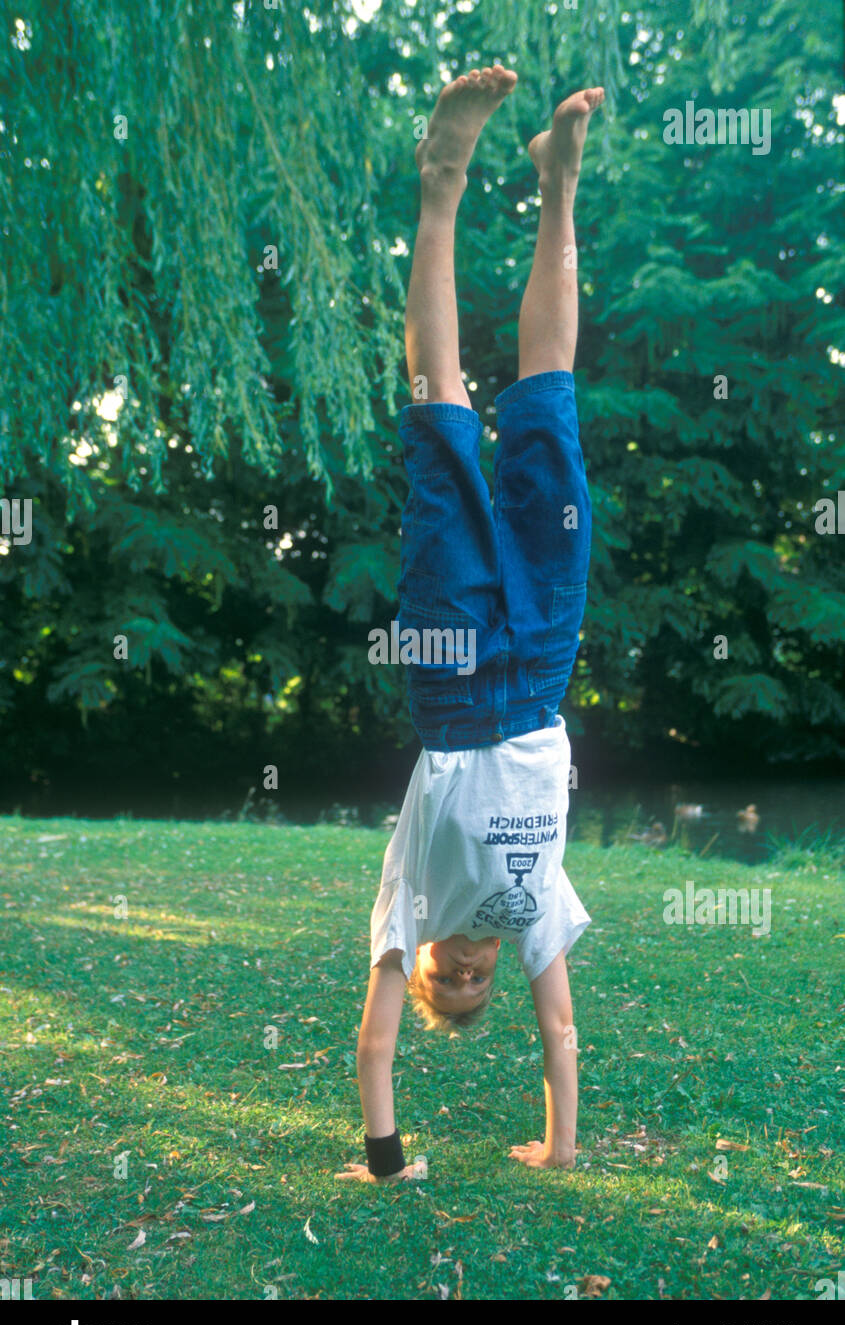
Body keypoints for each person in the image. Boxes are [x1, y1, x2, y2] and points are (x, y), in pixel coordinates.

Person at [336, 67, 604, 1184]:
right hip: (539, 666)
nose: (466, 973)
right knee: (546, 406)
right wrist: (558, 1146)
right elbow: (561, 1036)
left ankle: (439, 186)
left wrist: (386, 1160)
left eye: (448, 979)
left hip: (449, 684)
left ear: (431, 958)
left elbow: (371, 1043)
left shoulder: (415, 902)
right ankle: (554, 186)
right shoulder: (535, 915)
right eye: (476, 986)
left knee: (439, 411)